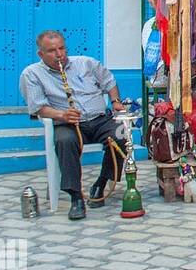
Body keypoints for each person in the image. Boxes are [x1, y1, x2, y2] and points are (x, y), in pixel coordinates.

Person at [19, 30, 128, 221]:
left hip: (99, 119)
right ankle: (76, 197)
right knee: (65, 141)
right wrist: (61, 114)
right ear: (40, 54)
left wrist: (115, 101)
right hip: (67, 123)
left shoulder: (86, 63)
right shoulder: (32, 74)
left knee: (121, 135)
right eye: (52, 51)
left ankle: (101, 183)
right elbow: (38, 107)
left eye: (62, 49)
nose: (59, 54)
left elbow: (109, 81)